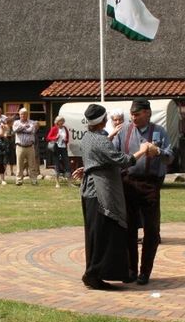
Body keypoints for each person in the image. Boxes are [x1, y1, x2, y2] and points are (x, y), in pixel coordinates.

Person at [71, 104, 155, 291]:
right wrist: (142, 150)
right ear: (103, 120)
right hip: (101, 193)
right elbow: (124, 160)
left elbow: (98, 154)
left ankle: (95, 273)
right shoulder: (101, 141)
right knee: (105, 234)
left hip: (89, 191)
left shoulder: (88, 138)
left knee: (95, 234)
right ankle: (94, 274)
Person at [113, 99, 174, 286]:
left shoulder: (160, 131)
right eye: (132, 114)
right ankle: (131, 269)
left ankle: (145, 271)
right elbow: (113, 154)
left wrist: (159, 152)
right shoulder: (124, 131)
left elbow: (170, 156)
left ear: (148, 113)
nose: (133, 117)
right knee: (129, 228)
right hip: (128, 183)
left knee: (152, 229)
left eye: (137, 114)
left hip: (150, 185)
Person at [12, 108, 41, 186]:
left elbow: (32, 130)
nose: (23, 115)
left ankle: (34, 180)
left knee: (32, 165)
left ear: (27, 115)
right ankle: (19, 181)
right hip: (20, 146)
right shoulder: (16, 122)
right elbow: (15, 130)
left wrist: (22, 128)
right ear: (19, 115)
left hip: (30, 146)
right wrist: (25, 127)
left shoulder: (31, 122)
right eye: (21, 114)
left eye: (25, 114)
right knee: (19, 164)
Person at [46, 116, 72, 187]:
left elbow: (67, 138)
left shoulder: (65, 128)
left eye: (62, 121)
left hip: (63, 147)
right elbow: (48, 138)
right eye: (60, 121)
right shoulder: (54, 128)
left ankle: (69, 183)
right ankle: (57, 183)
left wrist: (65, 140)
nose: (62, 122)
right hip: (56, 148)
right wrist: (55, 138)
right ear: (57, 122)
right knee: (57, 164)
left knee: (67, 164)